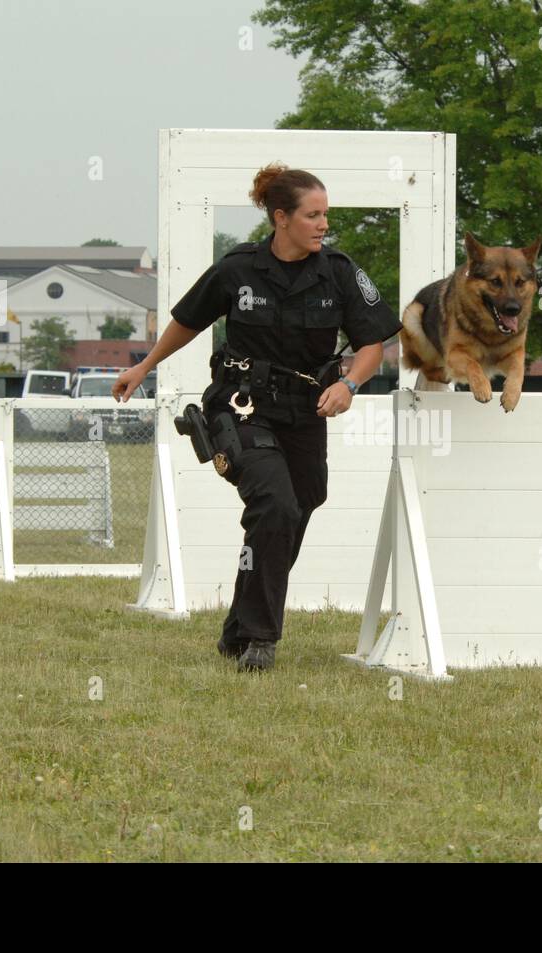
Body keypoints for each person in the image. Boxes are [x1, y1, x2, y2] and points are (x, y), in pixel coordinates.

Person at [112, 162, 400, 672]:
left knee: (302, 501)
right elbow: (187, 321)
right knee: (276, 506)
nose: (323, 225)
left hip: (305, 411)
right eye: (313, 215)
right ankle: (261, 640)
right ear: (281, 217)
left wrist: (348, 383)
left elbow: (373, 344)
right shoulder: (238, 269)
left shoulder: (339, 271)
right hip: (242, 408)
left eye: (325, 215)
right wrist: (145, 367)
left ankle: (237, 626)